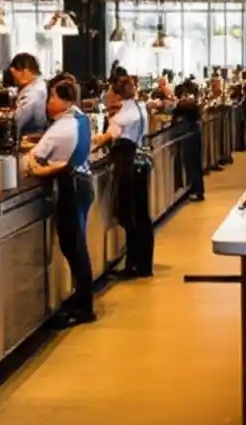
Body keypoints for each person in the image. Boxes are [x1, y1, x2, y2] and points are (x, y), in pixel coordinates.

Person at [23, 73, 96, 327]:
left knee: (74, 247)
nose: (48, 103)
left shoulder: (61, 129)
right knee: (77, 244)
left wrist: (32, 159)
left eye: (52, 97)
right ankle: (81, 298)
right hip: (83, 183)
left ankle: (84, 307)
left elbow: (32, 159)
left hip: (70, 188)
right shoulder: (79, 117)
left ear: (64, 100)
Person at [94, 76, 153, 279]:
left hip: (127, 167)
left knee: (129, 216)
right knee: (142, 216)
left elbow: (107, 137)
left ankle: (132, 265)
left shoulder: (121, 117)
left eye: (110, 91)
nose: (107, 94)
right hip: (141, 163)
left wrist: (95, 139)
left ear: (117, 94)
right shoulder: (139, 108)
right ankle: (144, 264)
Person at [174, 82, 206, 201]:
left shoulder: (189, 102)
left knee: (192, 161)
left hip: (191, 131)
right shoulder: (194, 101)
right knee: (195, 162)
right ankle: (196, 188)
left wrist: (177, 105)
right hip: (195, 130)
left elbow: (180, 108)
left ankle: (197, 190)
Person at [8, 53, 48, 136]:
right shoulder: (38, 85)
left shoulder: (33, 92)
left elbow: (18, 120)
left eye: (15, 76)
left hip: (30, 137)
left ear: (25, 71)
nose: (15, 81)